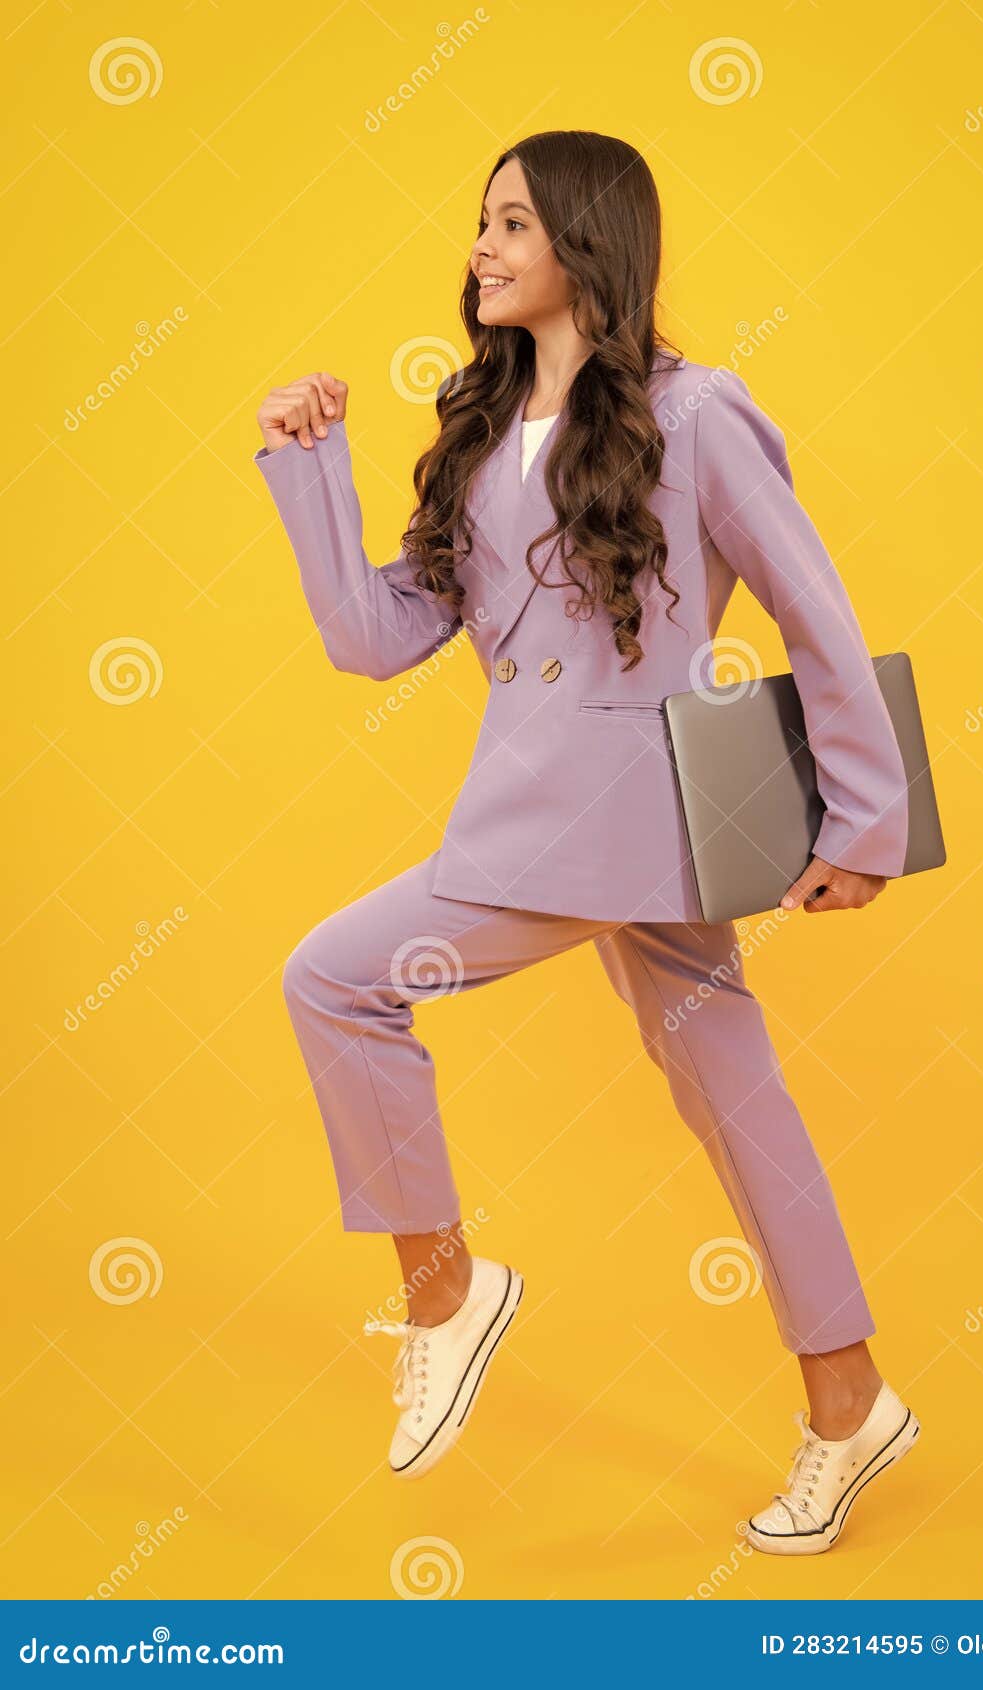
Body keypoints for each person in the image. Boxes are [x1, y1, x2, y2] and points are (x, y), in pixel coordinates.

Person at [253, 129, 920, 1554]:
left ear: (586, 242)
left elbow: (816, 609)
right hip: (565, 820)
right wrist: (314, 464)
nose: (482, 247)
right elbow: (371, 639)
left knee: (334, 978)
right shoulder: (482, 426)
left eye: (512, 221)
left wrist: (868, 817)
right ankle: (846, 1399)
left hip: (609, 822)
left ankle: (445, 1289)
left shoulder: (697, 413)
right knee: (742, 1108)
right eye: (480, 221)